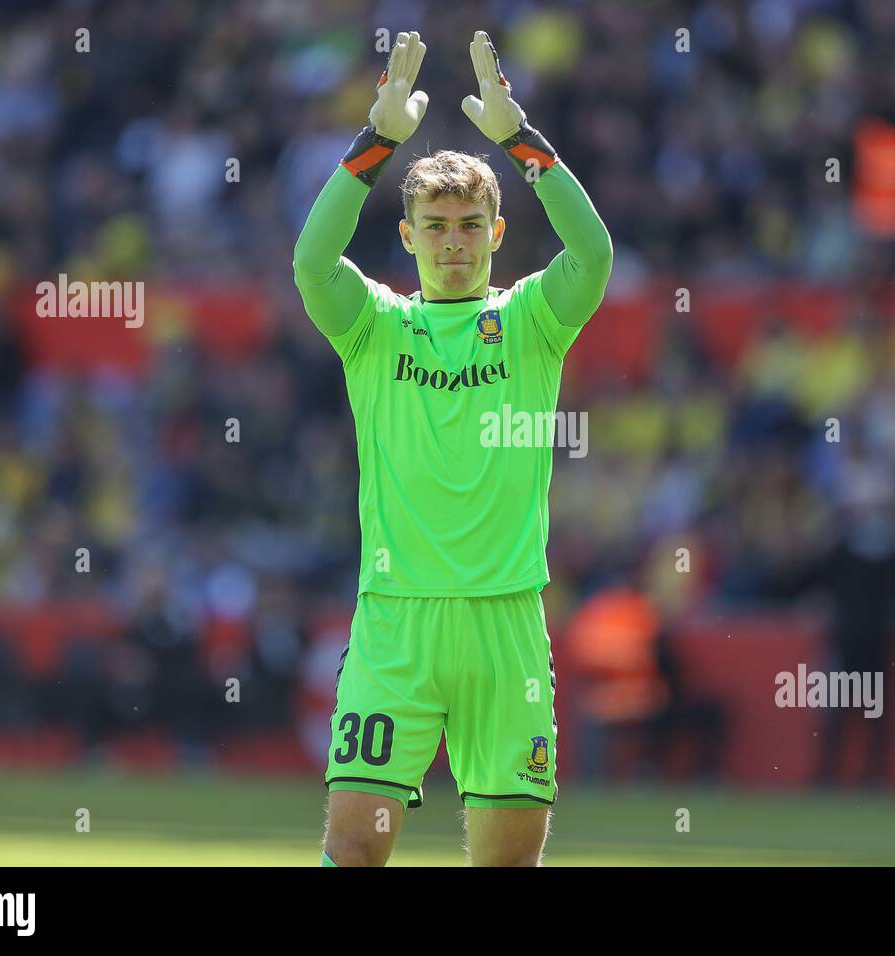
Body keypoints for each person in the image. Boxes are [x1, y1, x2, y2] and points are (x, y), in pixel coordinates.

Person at [293, 31, 612, 866]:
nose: (455, 242)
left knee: (506, 863)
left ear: (499, 231)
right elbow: (310, 260)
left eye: (472, 224)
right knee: (355, 850)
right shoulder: (375, 327)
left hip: (507, 622)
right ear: (407, 236)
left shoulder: (534, 323)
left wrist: (521, 139)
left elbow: (595, 253)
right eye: (435, 226)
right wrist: (376, 144)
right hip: (396, 622)